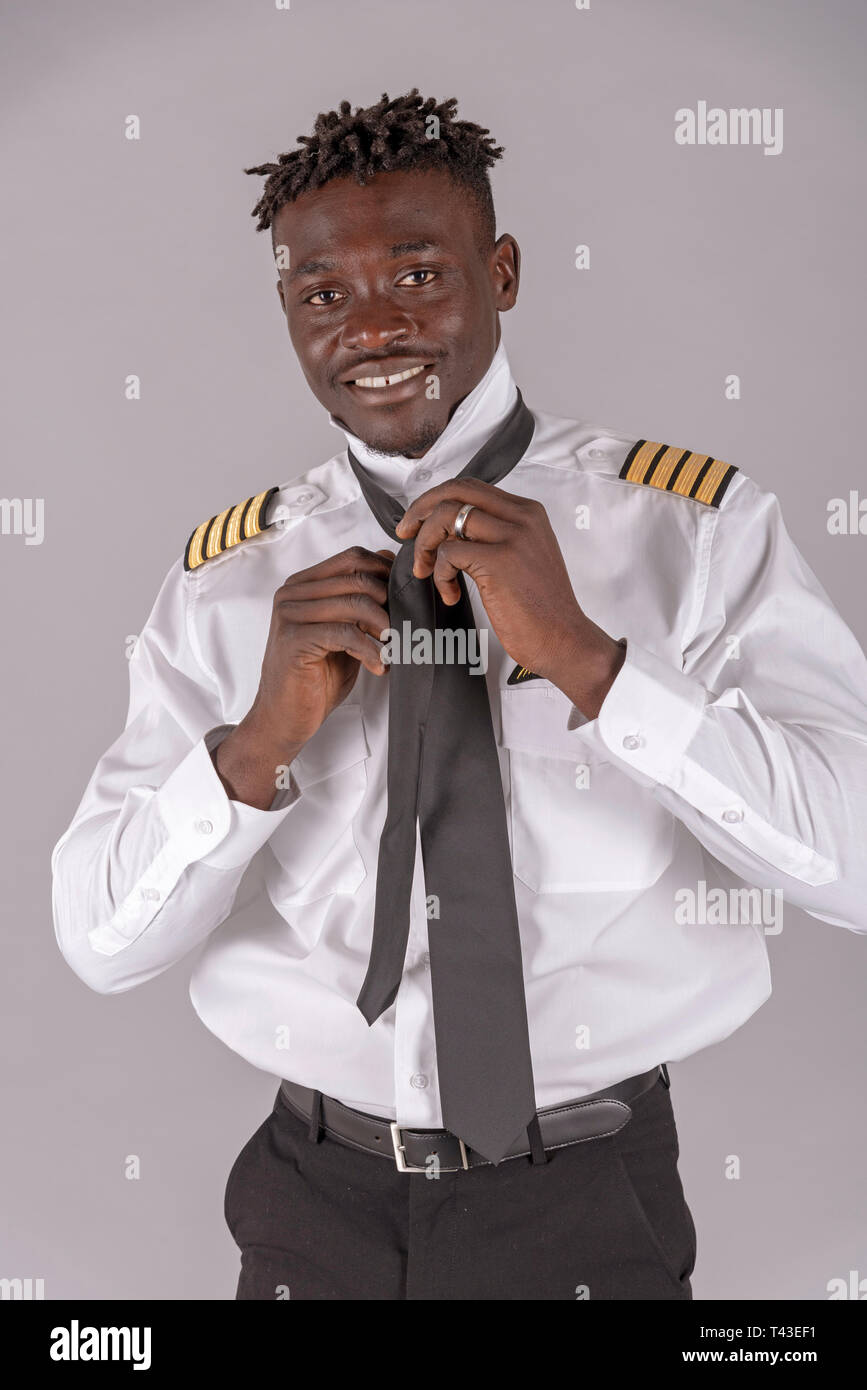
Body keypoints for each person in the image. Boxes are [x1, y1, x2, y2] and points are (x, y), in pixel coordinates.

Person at [52, 89, 867, 1301]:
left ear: (505, 270)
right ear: (288, 312)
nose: (374, 326)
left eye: (419, 275)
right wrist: (255, 747)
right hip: (309, 1200)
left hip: (587, 1205)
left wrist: (598, 664)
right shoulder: (227, 579)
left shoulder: (694, 529)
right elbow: (97, 940)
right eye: (324, 294)